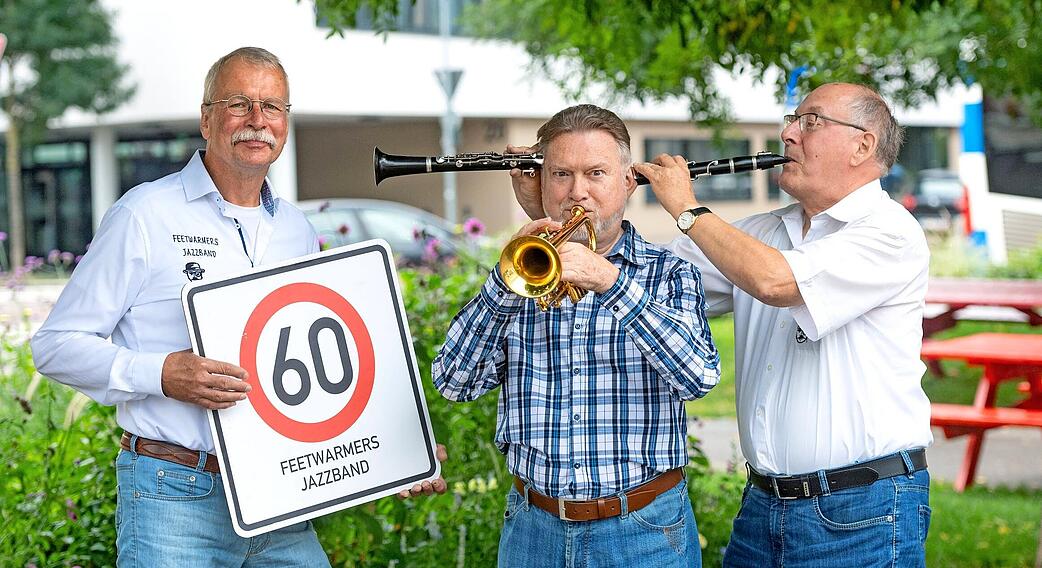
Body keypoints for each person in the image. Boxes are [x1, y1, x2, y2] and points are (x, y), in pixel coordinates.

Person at [31, 47, 445, 566]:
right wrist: (161, 374)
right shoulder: (144, 214)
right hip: (175, 493)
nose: (257, 121)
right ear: (207, 119)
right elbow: (54, 346)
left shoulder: (296, 229)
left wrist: (397, 456)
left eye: (272, 107)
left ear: (286, 124)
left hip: (282, 500)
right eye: (239, 103)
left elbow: (316, 369)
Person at [513, 82, 932, 567]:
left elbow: (775, 281)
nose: (788, 133)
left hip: (863, 507)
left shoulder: (890, 231)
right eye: (792, 119)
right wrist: (555, 208)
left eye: (810, 121)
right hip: (763, 506)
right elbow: (632, 280)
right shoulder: (761, 232)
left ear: (863, 144)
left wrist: (687, 209)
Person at [433, 104, 721, 567]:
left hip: (643, 530)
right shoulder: (518, 273)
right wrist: (504, 283)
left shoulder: (670, 272)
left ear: (628, 181)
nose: (577, 192)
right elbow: (452, 381)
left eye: (596, 173)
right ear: (542, 181)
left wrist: (610, 282)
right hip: (534, 530)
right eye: (561, 174)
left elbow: (700, 377)